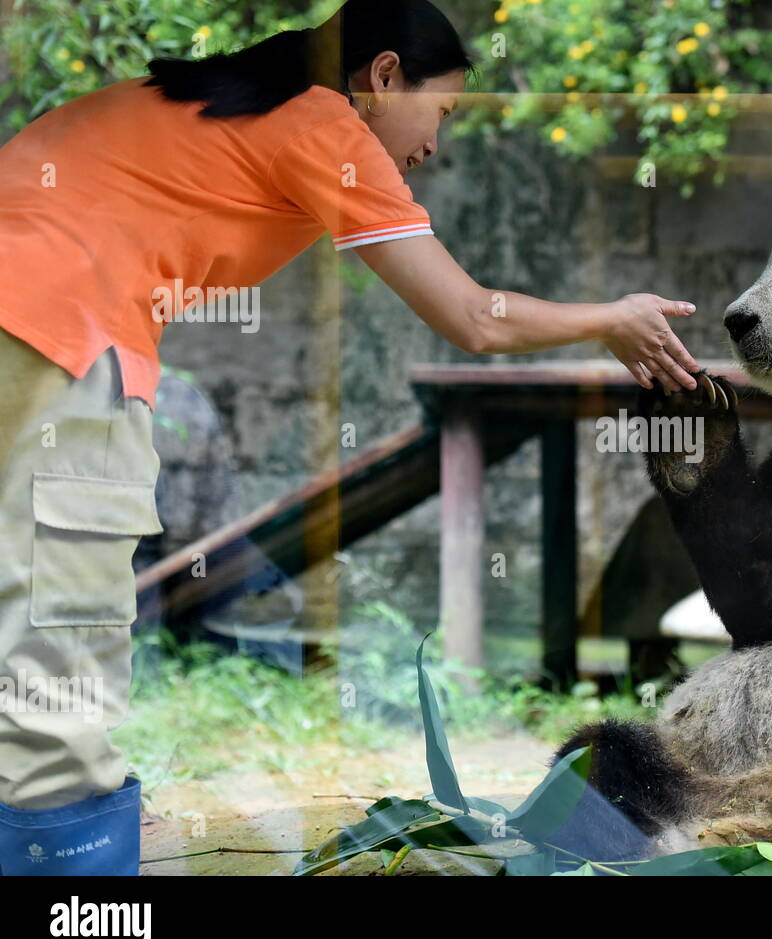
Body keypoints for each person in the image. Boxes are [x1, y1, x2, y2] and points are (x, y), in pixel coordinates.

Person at [0, 0, 699, 876]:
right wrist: (611, 316)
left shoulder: (209, 102)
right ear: (382, 76)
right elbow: (471, 317)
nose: (434, 147)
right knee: (66, 619)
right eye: (439, 113)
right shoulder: (321, 121)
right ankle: (71, 881)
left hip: (24, 312)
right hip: (56, 328)